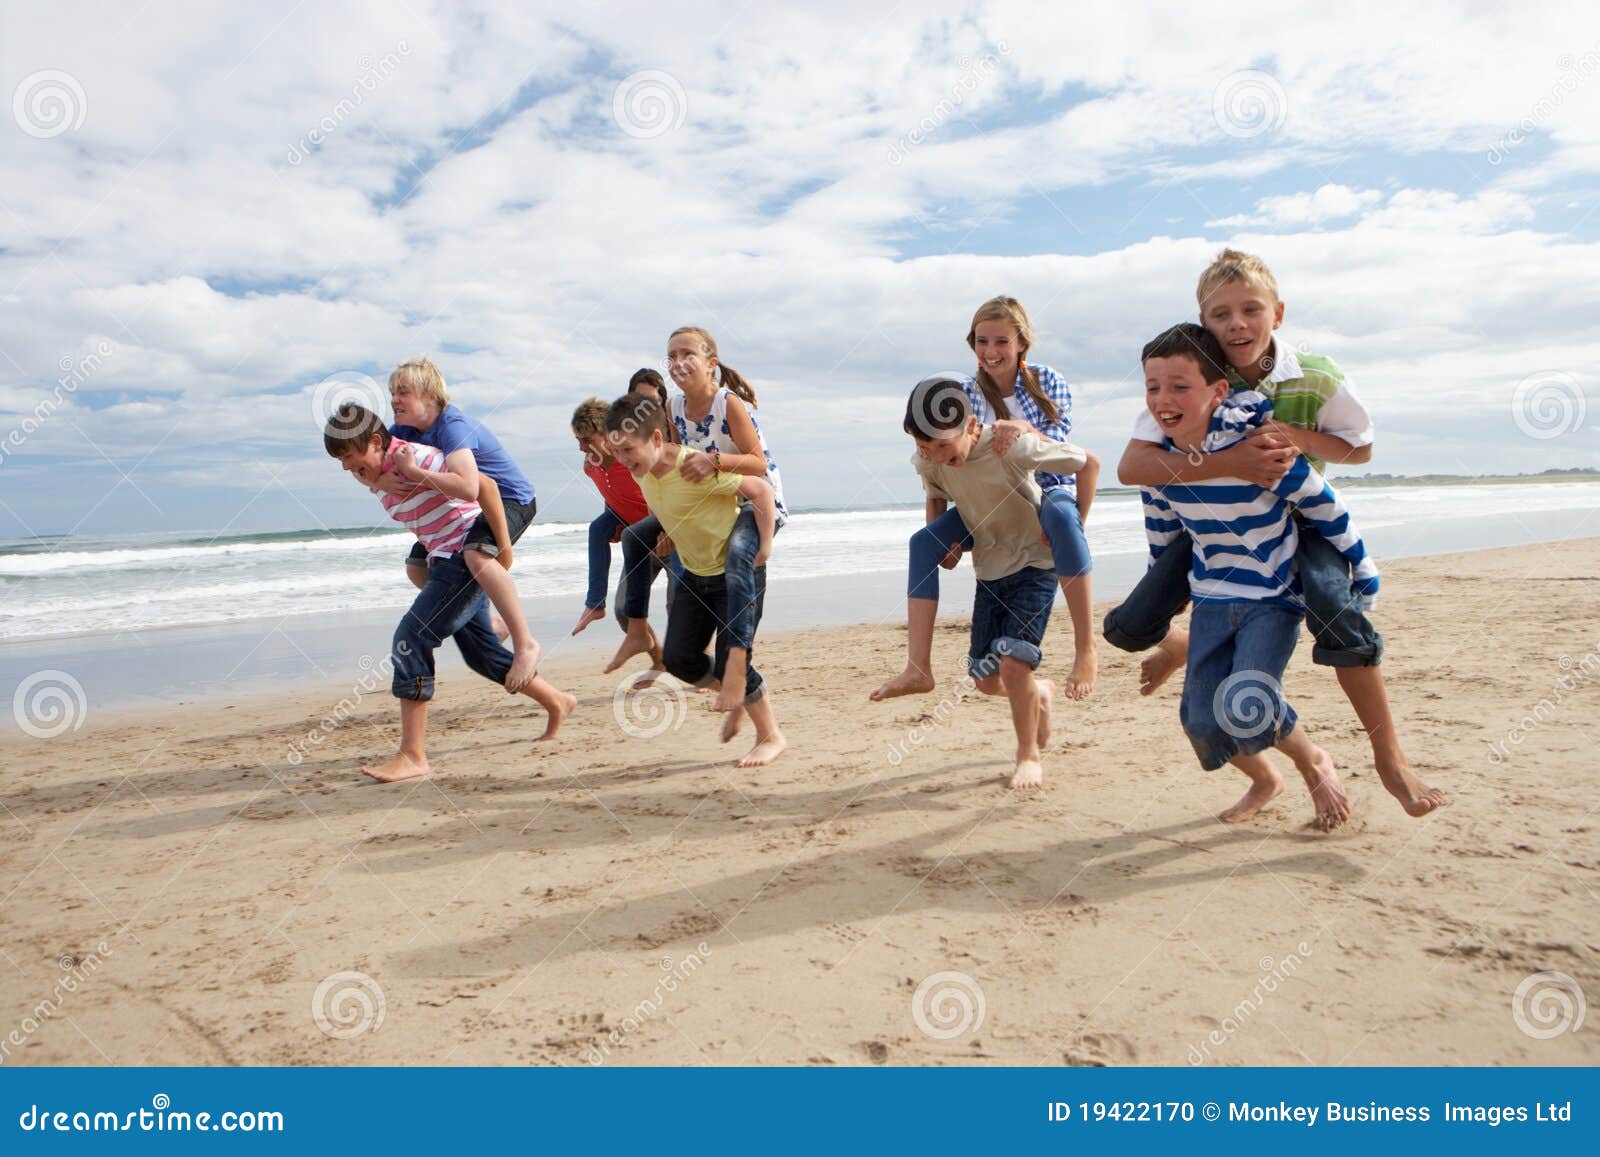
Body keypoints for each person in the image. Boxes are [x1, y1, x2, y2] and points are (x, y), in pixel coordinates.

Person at [1106, 250, 1443, 818]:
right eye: (1221, 314)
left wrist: (1295, 437)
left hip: (1300, 519)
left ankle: (1389, 758)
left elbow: (1360, 449)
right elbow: (1136, 467)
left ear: (1277, 314)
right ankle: (1186, 644)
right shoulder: (1188, 371)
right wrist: (1234, 461)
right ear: (1204, 321)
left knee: (1336, 611)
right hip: (1212, 517)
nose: (1236, 324)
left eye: (1250, 310)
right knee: (1131, 623)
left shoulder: (1315, 376)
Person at [1139, 323, 1378, 829]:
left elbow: (1324, 505)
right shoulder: (1159, 461)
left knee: (1245, 702)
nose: (1163, 399)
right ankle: (1266, 779)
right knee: (1200, 721)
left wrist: (1362, 570)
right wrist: (1162, 591)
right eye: (1153, 387)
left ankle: (1314, 762)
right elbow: (1163, 531)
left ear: (1217, 390)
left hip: (1273, 594)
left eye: (1179, 386)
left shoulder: (1258, 445)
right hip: (1211, 595)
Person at [323, 403, 573, 783]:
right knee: (480, 654)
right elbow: (393, 491)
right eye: (340, 460)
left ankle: (413, 755)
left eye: (348, 456)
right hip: (441, 558)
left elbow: (485, 488)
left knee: (411, 637)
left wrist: (502, 551)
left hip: (462, 556)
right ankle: (557, 700)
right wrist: (374, 480)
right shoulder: (375, 473)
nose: (346, 467)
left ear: (375, 442)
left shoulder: (418, 459)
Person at [872, 296, 1100, 703]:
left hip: (1047, 486)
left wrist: (1022, 426)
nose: (990, 351)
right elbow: (944, 468)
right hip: (989, 496)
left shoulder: (1047, 381)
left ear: (1021, 344)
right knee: (922, 543)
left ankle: (1086, 649)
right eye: (982, 341)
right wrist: (943, 540)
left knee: (1064, 521)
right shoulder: (965, 391)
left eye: (1001, 341)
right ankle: (917, 668)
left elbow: (1060, 446)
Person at [901, 374, 1090, 789]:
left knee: (1013, 663)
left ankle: (1028, 754)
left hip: (1035, 564)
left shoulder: (1007, 447)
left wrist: (1074, 526)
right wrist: (944, 543)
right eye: (924, 447)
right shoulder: (930, 460)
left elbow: (1086, 462)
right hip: (990, 570)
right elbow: (935, 494)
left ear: (971, 426)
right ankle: (1039, 692)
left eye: (943, 446)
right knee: (986, 681)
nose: (936, 456)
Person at [607, 329, 787, 715]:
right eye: (671, 356)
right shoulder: (672, 406)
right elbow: (673, 464)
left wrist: (714, 461)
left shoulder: (727, 403)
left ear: (711, 363)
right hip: (712, 501)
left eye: (687, 354)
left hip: (753, 503)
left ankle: (735, 663)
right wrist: (668, 529)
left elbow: (758, 464)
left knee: (737, 555)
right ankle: (638, 630)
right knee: (636, 537)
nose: (677, 362)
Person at [387, 357, 541, 690]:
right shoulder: (404, 431)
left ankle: (525, 642)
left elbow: (471, 487)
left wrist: (413, 472)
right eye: (392, 393)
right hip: (469, 509)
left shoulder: (452, 426)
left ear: (430, 396)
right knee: (417, 567)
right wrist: (383, 481)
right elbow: (372, 455)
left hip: (511, 499)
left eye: (403, 392)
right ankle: (488, 620)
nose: (394, 400)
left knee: (475, 555)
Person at [569, 398, 672, 683]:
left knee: (682, 608)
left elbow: (667, 492)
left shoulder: (635, 461)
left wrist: (667, 529)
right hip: (639, 543)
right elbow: (613, 496)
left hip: (671, 537)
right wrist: (614, 520)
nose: (581, 448)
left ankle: (702, 666)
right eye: (578, 441)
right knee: (625, 611)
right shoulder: (591, 467)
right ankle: (659, 660)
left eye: (587, 439)